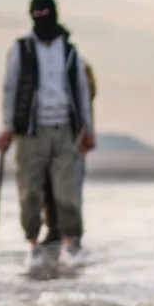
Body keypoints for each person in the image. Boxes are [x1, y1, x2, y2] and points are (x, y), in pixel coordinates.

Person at [0, 0, 94, 261]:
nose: (42, 18)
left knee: (67, 194)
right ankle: (32, 242)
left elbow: (82, 92)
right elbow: (10, 88)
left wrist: (88, 129)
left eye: (45, 13)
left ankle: (70, 243)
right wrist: (7, 127)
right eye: (37, 14)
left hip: (65, 129)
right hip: (30, 130)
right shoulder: (21, 49)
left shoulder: (70, 51)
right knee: (30, 191)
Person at [41, 59, 97, 244]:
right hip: (61, 140)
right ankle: (58, 229)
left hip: (72, 141)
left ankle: (66, 231)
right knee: (59, 188)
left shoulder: (77, 78)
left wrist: (87, 135)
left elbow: (87, 109)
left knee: (68, 188)